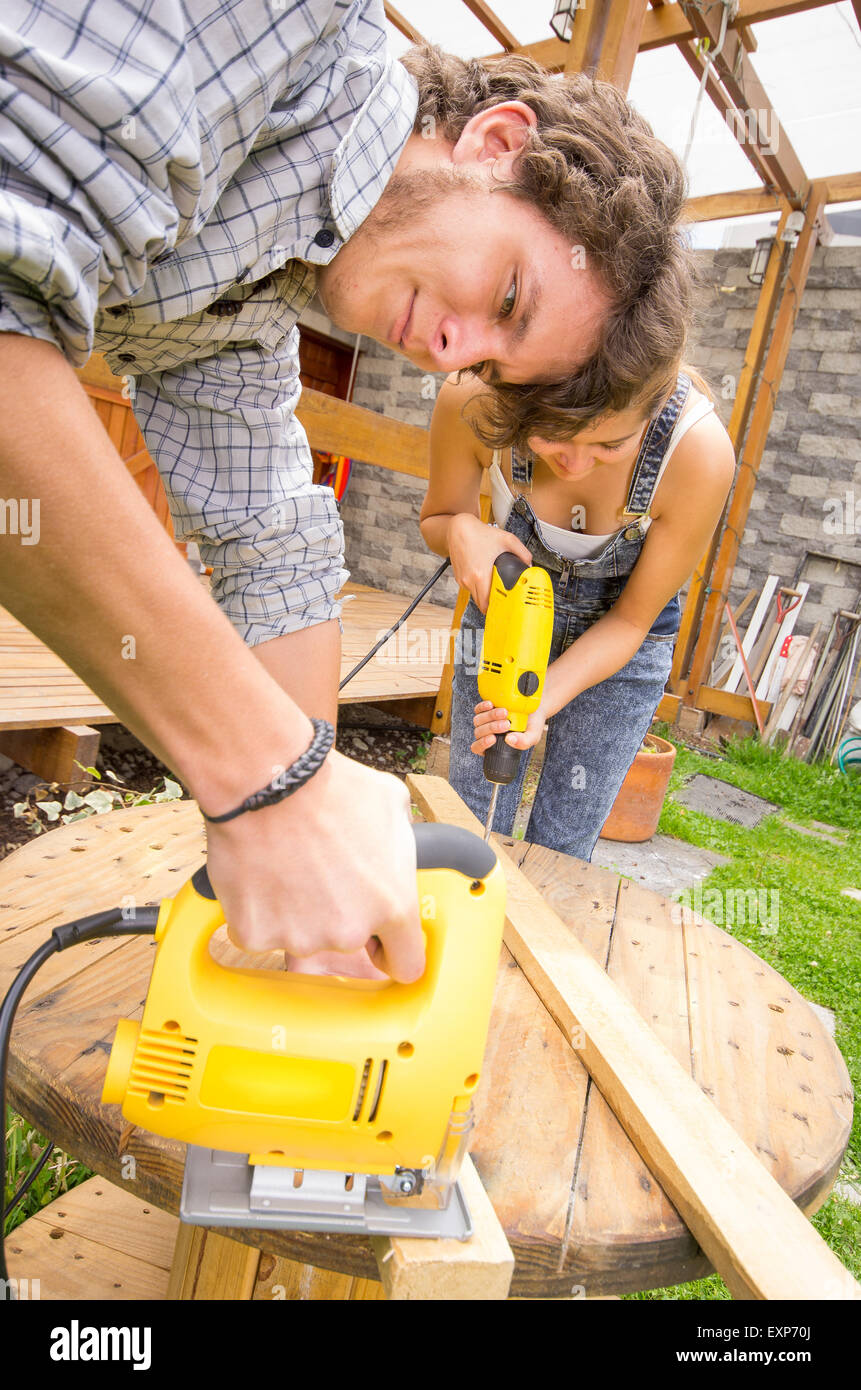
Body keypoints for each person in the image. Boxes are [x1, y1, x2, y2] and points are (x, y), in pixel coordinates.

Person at [0, 0, 692, 970]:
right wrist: (269, 784)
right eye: (507, 297)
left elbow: (275, 545)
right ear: (496, 142)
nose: (449, 352)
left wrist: (319, 859)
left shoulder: (250, 294)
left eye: (486, 364)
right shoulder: (285, 21)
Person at [421, 367, 735, 859]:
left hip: (623, 647)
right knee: (470, 823)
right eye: (551, 435)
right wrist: (461, 529)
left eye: (610, 444)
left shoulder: (698, 452)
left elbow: (631, 621)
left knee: (563, 846)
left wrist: (536, 703)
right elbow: (437, 519)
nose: (576, 464)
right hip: (504, 629)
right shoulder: (475, 395)